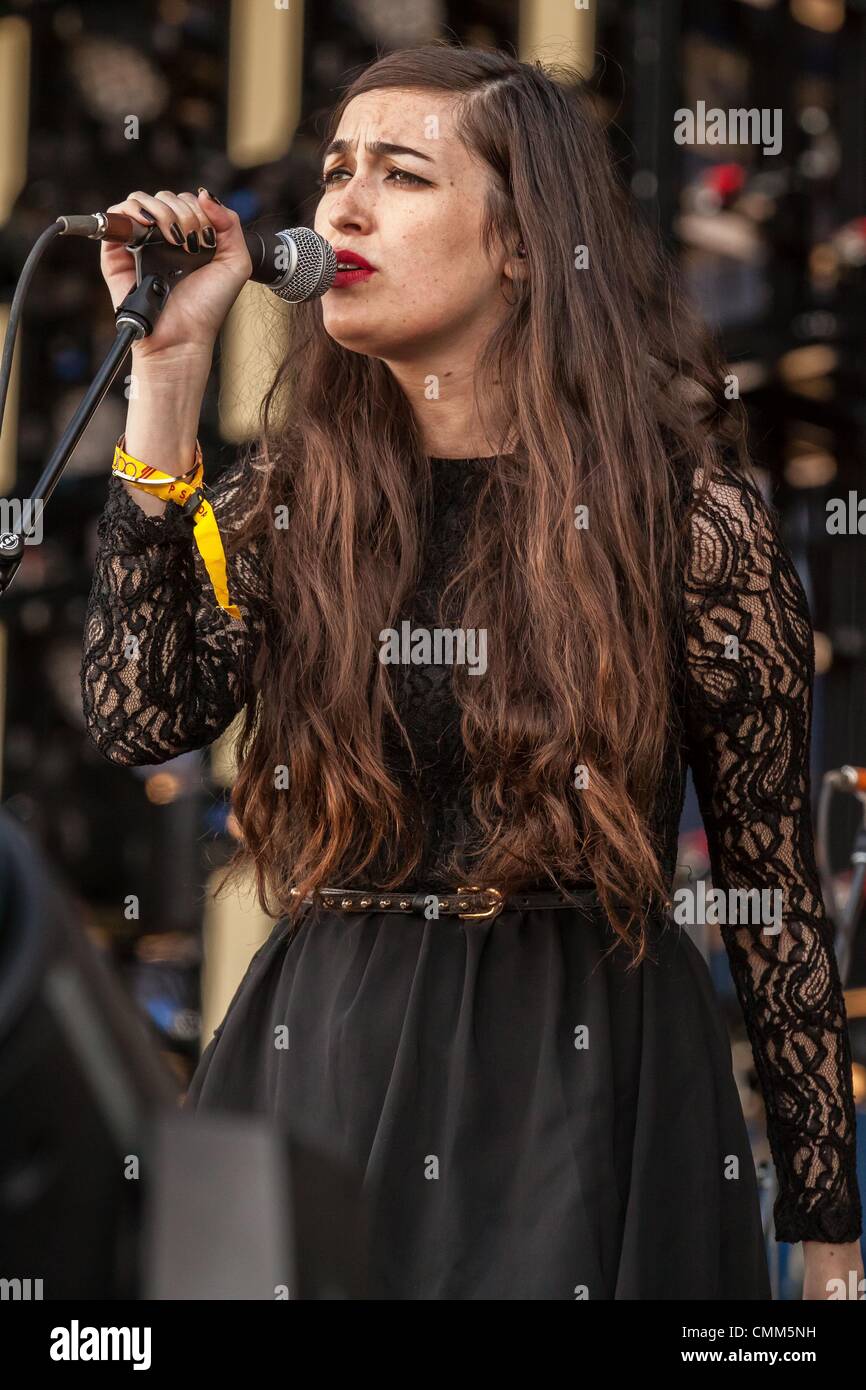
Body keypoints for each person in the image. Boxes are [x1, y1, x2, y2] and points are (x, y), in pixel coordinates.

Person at [80, 41, 863, 1299]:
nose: (341, 206)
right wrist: (166, 374)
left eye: (401, 175)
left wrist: (827, 1247)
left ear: (519, 243)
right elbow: (139, 712)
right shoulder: (295, 497)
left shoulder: (683, 522)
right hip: (321, 1044)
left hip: (576, 1068)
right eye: (335, 169)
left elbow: (771, 896)